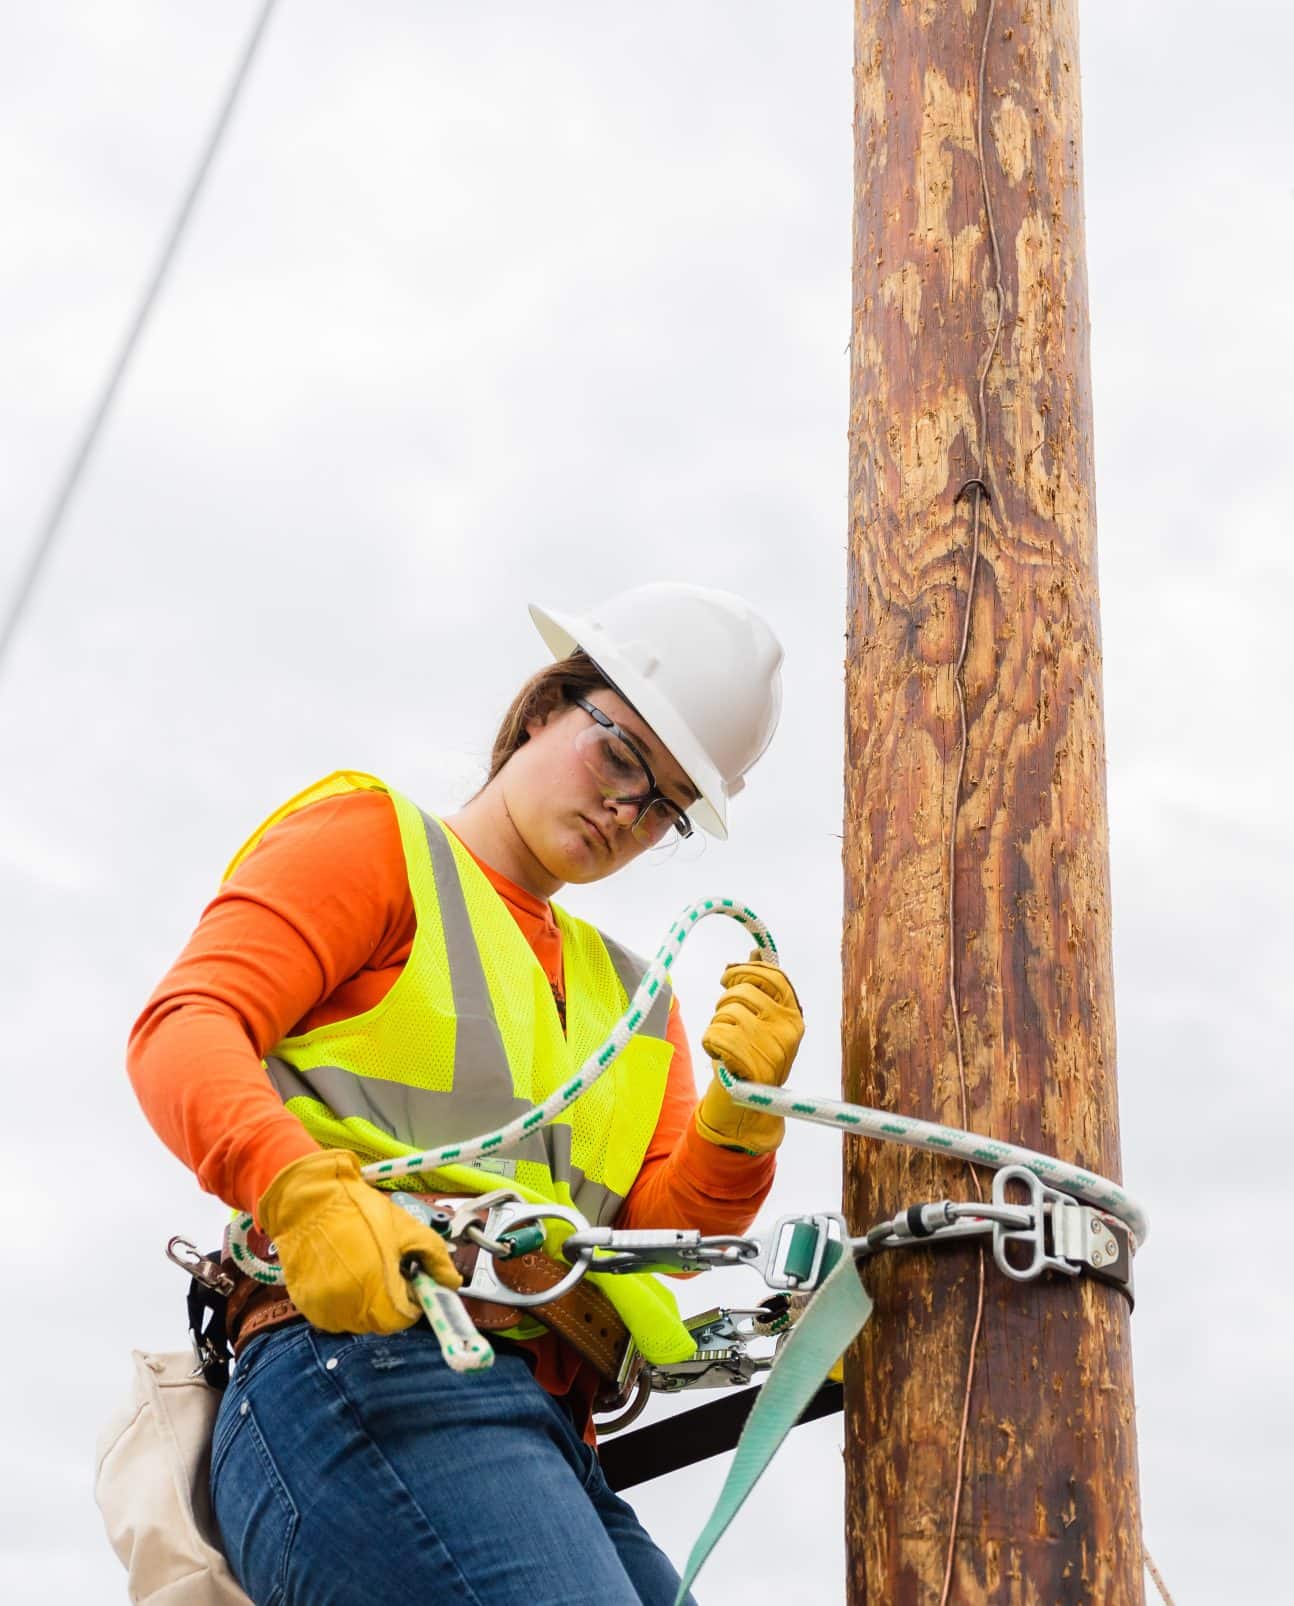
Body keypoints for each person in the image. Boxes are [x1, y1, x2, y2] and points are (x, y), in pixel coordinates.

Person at [128, 582, 800, 1606]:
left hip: (548, 1424)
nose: (628, 812)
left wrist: (740, 1120)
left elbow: (659, 1228)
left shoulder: (636, 999)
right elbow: (187, 1024)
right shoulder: (375, 845)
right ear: (545, 707)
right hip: (367, 1364)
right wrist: (297, 1189)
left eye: (666, 806)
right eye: (622, 757)